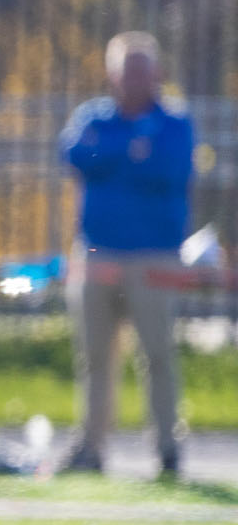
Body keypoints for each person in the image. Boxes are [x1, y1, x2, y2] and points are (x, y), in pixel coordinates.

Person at [58, 31, 193, 479]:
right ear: (111, 74)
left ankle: (167, 447)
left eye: (142, 70)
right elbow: (74, 155)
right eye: (127, 70)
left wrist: (112, 158)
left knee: (157, 354)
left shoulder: (174, 122)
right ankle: (91, 446)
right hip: (97, 254)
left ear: (156, 73)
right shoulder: (93, 117)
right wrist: (128, 150)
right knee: (95, 357)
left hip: (154, 258)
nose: (134, 79)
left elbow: (169, 169)